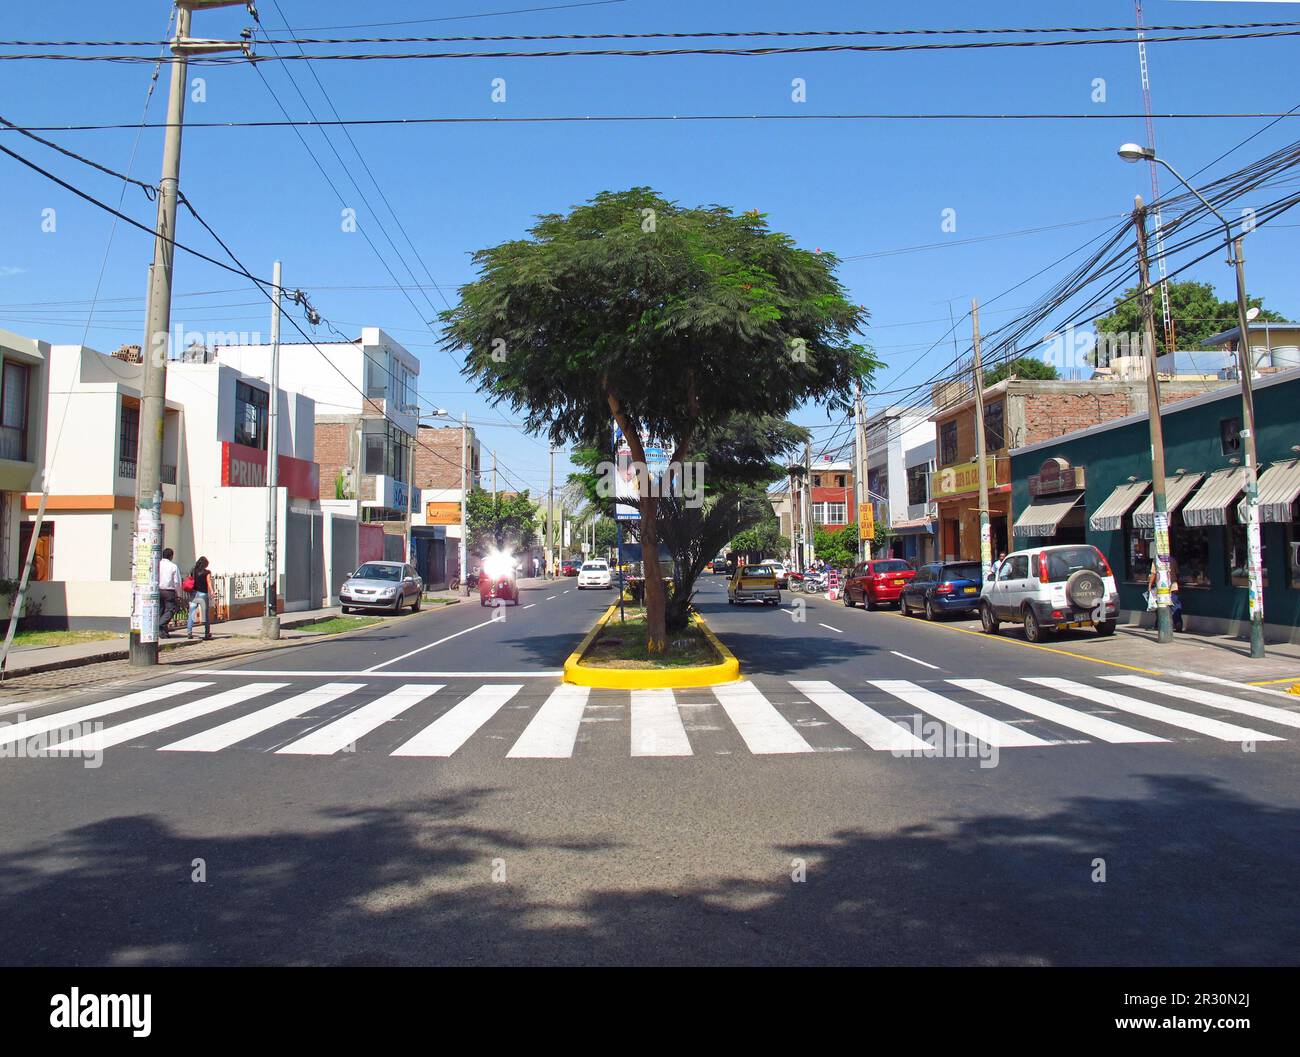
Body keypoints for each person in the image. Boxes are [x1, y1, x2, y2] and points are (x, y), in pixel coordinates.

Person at [1147, 555, 1183, 633]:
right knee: (1175, 606)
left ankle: (1158, 625)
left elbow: (1153, 574)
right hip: (1173, 587)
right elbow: (1177, 573)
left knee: (1160, 606)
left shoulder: (1157, 560)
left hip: (1161, 588)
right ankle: (1178, 623)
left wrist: (1150, 585)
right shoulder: (1172, 559)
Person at [186, 556, 214, 640]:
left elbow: (190, 580)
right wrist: (212, 591)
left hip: (194, 594)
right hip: (203, 594)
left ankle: (189, 632)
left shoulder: (193, 571)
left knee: (191, 613)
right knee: (205, 614)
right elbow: (208, 582)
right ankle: (207, 633)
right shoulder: (207, 572)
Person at [157, 547, 181, 637]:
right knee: (170, 610)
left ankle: (162, 631)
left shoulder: (158, 564)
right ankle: (160, 624)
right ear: (171, 556)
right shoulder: (173, 566)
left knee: (160, 610)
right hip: (168, 591)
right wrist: (178, 594)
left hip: (158, 590)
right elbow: (177, 582)